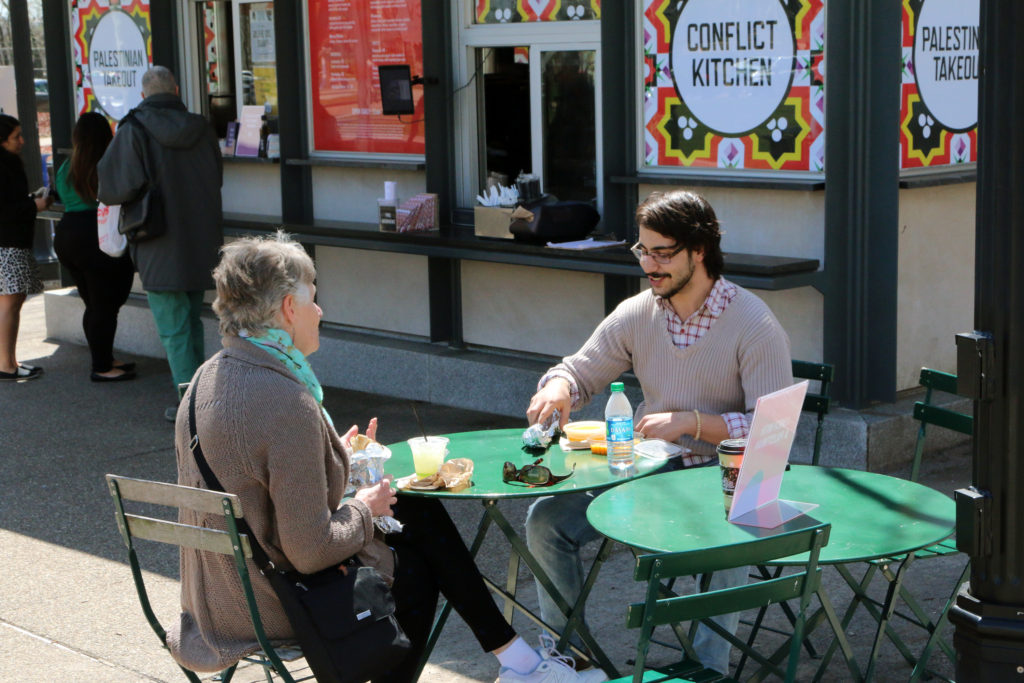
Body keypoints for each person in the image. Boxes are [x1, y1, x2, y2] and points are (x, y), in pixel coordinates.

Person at [168, 233, 606, 683]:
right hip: (268, 604)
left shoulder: (207, 378)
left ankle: (516, 659)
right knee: (415, 571)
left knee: (418, 507)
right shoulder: (285, 400)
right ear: (287, 309)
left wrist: (333, 454)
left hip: (214, 595)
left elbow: (256, 477)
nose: (320, 313)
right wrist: (364, 507)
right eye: (314, 301)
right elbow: (311, 550)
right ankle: (519, 662)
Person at [524, 190, 793, 676]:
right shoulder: (638, 313)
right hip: (650, 472)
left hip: (724, 480)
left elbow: (774, 434)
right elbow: (580, 370)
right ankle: (567, 658)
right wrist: (560, 386)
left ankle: (705, 669)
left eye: (662, 253)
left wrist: (693, 421)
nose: (649, 264)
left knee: (738, 524)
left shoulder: (755, 324)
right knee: (546, 518)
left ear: (700, 251)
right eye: (642, 250)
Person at [97, 66, 222, 417]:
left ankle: (191, 409)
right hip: (200, 238)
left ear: (143, 94)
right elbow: (217, 177)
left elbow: (112, 187)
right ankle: (201, 397)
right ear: (177, 90)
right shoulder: (202, 126)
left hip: (157, 240)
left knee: (174, 328)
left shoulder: (133, 128)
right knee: (191, 322)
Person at [53, 111, 137, 381]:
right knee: (106, 306)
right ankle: (101, 367)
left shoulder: (68, 166)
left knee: (93, 304)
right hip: (98, 236)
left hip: (67, 235)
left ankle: (105, 358)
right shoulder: (108, 164)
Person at [0, 114, 51, 381]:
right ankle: (6, 365)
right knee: (10, 302)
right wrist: (33, 205)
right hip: (8, 244)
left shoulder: (8, 164)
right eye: (15, 137)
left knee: (13, 301)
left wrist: (30, 200)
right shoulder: (4, 166)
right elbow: (6, 210)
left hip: (11, 243)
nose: (22, 141)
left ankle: (9, 361)